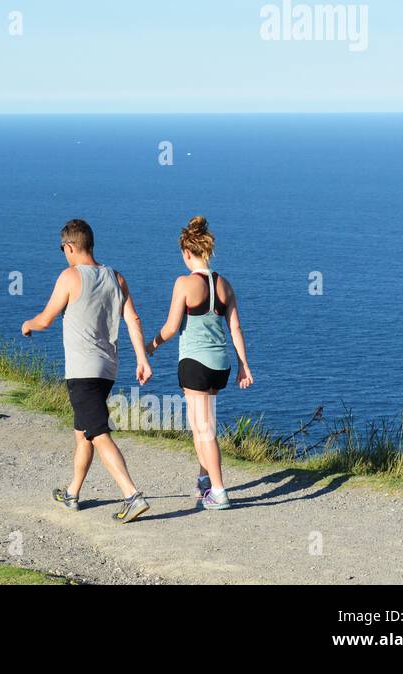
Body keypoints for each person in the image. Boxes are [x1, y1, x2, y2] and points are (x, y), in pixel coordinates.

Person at [21, 218, 153, 523]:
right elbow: (133, 320)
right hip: (107, 369)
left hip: (81, 371)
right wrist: (142, 359)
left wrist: (28, 325)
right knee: (83, 433)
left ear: (69, 247)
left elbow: (45, 320)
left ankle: (131, 495)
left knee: (98, 432)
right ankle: (72, 493)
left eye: (63, 249)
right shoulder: (116, 278)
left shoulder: (69, 277)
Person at [146, 216, 254, 509]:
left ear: (187, 253)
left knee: (203, 427)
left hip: (194, 362)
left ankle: (219, 491)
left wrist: (150, 347)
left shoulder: (184, 284)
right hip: (221, 364)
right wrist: (244, 365)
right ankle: (205, 481)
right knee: (200, 424)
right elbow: (236, 328)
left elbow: (170, 328)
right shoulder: (225, 284)